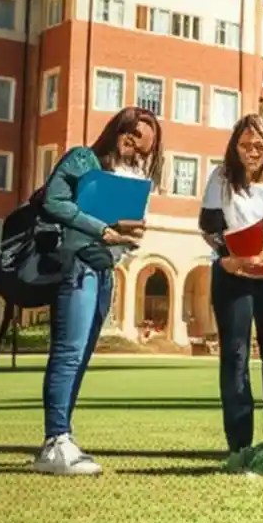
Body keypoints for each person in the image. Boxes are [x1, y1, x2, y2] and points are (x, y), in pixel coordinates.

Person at [34, 107, 161, 475]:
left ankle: (60, 440)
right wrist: (103, 229)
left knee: (83, 355)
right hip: (77, 265)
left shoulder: (127, 176)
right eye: (134, 137)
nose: (136, 149)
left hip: (105, 269)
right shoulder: (82, 158)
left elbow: (115, 225)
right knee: (68, 353)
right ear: (119, 129)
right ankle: (56, 438)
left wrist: (129, 231)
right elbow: (53, 201)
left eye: (144, 149)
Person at [199, 114, 263, 474]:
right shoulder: (221, 178)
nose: (252, 151)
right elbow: (210, 226)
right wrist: (227, 259)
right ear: (235, 145)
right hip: (231, 272)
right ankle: (238, 439)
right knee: (235, 354)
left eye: (259, 145)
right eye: (245, 144)